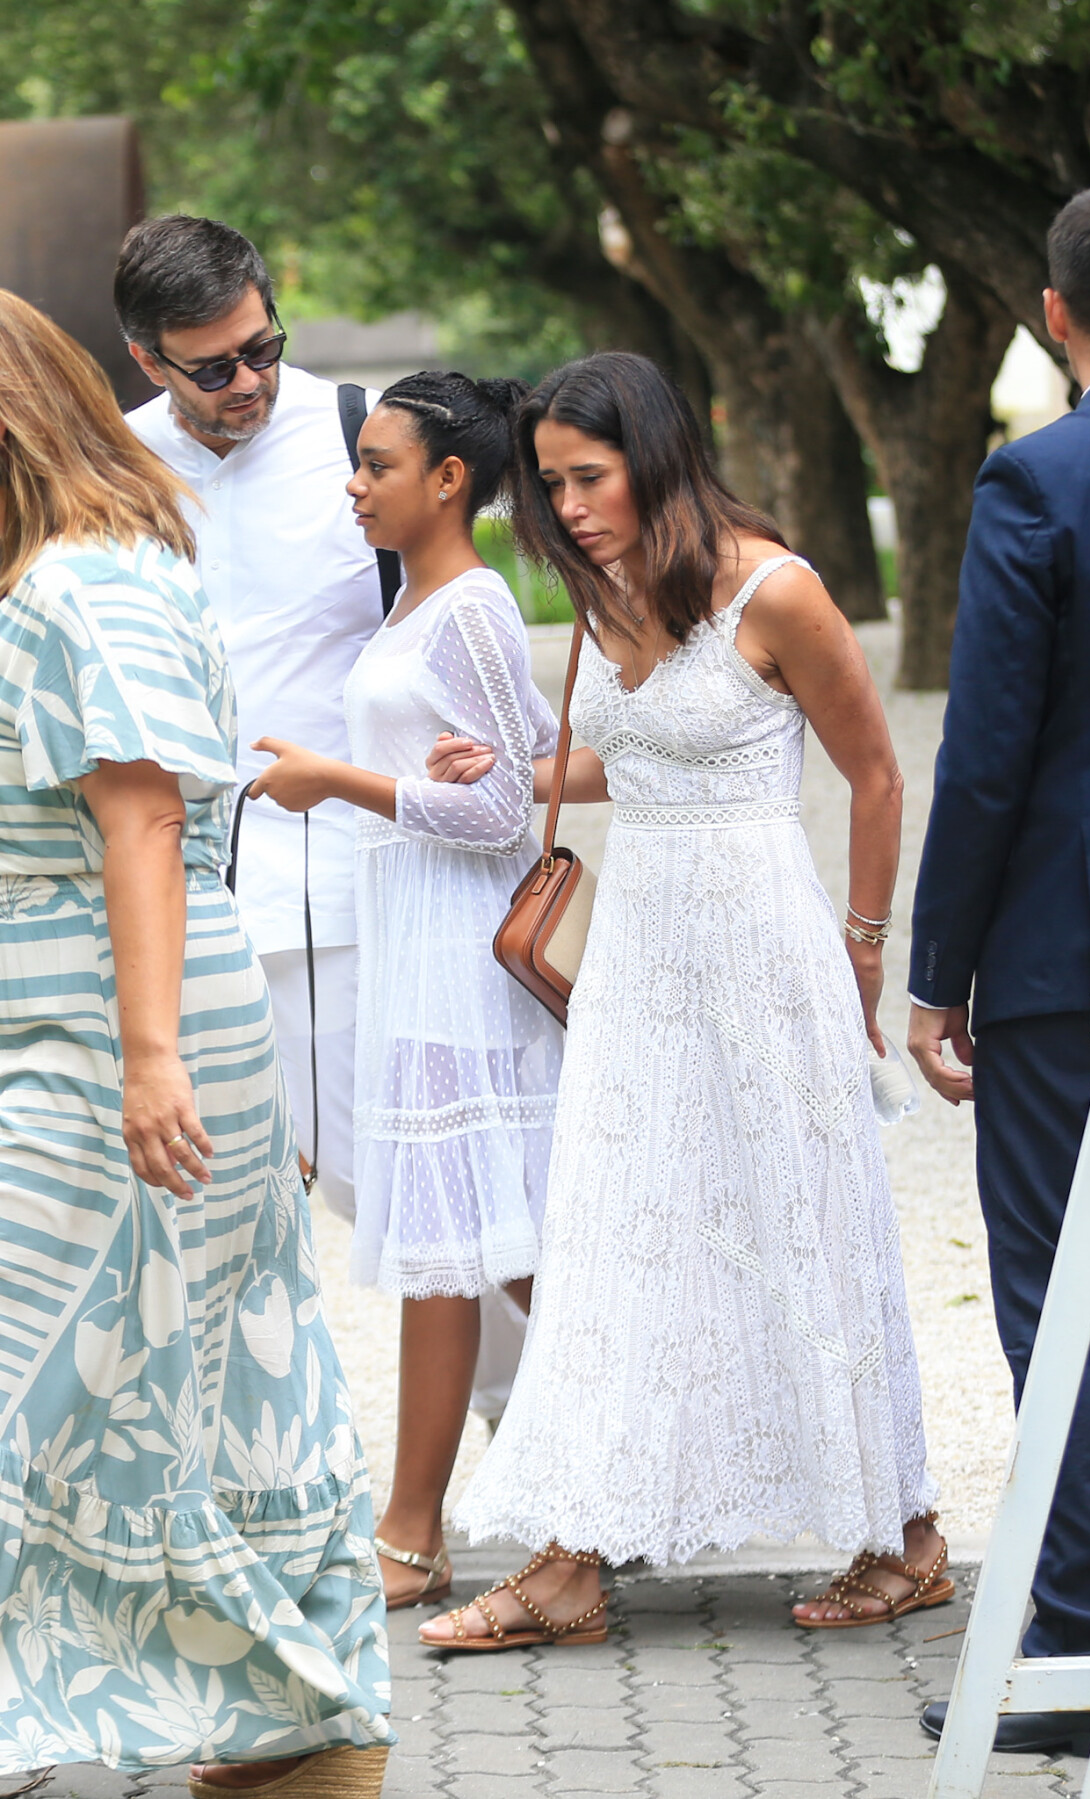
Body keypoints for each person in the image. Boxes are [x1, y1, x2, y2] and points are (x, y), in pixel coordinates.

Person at [416, 350, 949, 1649]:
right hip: (641, 954)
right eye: (550, 484)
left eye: (590, 476)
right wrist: (526, 759)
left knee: (802, 1217)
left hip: (763, 942)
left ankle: (907, 1534)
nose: (572, 505)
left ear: (655, 453)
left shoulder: (778, 587)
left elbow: (876, 775)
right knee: (620, 1226)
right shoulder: (602, 594)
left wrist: (866, 946)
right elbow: (633, 759)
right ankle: (574, 1553)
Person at [0, 291, 392, 1789]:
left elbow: (150, 814)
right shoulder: (66, 569)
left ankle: (251, 1714)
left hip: (114, 1035)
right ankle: (292, 1730)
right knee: (185, 1383)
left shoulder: (81, 584)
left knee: (53, 1371)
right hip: (85, 1018)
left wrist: (147, 1052)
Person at [907, 180, 1090, 1757]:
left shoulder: (1038, 478)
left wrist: (937, 963)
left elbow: (989, 753)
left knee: (1071, 1284)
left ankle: (1088, 1622)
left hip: (1072, 957)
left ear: (1057, 318)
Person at [247, 371, 563, 1611]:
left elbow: (501, 810)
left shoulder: (472, 604)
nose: (353, 481)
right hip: (415, 942)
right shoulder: (423, 603)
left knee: (510, 1254)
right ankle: (417, 1522)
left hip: (459, 952)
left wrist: (345, 782)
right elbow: (524, 754)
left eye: (377, 464)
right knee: (457, 1247)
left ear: (449, 481)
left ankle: (433, 1519)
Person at [117, 214, 382, 1224]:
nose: (249, 381)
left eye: (263, 349)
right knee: (198, 1206)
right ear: (149, 358)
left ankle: (523, 1386)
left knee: (391, 1186)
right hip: (168, 897)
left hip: (347, 882)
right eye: (214, 368)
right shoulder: (108, 470)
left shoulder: (369, 435)